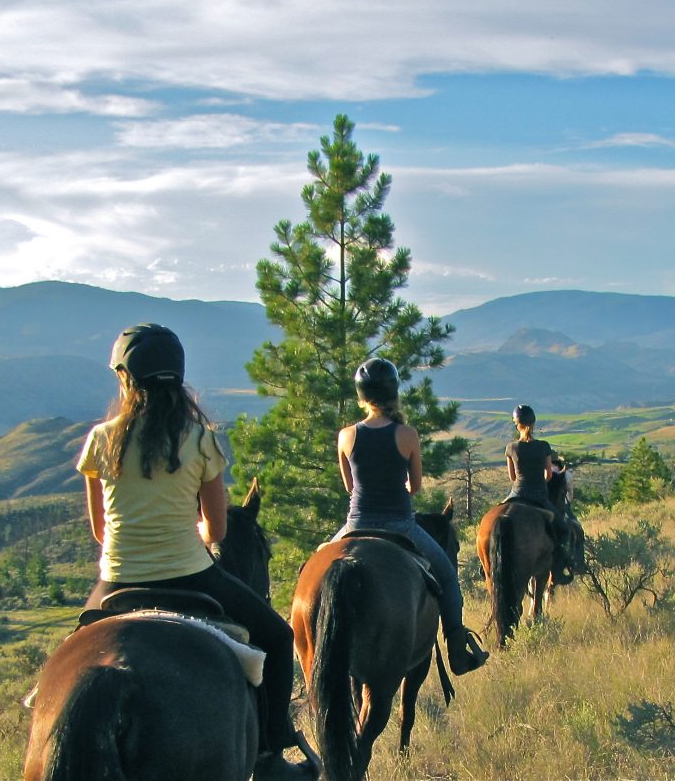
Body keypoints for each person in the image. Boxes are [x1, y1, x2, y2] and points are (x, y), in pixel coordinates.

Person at [76, 323, 315, 781]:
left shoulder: (100, 440)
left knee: (67, 660)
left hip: (117, 579)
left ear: (126, 378)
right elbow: (218, 530)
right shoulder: (200, 439)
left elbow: (100, 530)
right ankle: (270, 754)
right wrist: (189, 528)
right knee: (279, 637)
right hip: (190, 574)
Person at [332, 358, 489, 675]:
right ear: (393, 393)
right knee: (446, 576)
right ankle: (457, 653)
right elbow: (414, 486)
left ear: (361, 395)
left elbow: (350, 485)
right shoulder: (406, 434)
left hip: (356, 524)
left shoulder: (346, 436)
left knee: (312, 566)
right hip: (400, 525)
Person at [504, 405, 576, 582]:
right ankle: (560, 568)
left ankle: (484, 566)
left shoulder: (511, 447)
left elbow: (513, 477)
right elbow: (549, 475)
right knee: (563, 530)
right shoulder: (544, 447)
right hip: (539, 497)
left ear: (517, 424)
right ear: (533, 424)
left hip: (516, 494)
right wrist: (538, 482)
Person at [547, 454, 586, 583]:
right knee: (577, 529)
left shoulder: (540, 470)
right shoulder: (565, 474)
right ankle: (577, 564)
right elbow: (570, 494)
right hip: (560, 507)